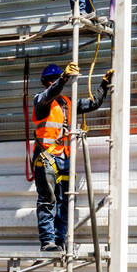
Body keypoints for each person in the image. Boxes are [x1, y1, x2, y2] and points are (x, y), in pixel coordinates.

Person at [31, 61, 113, 252]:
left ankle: (60, 241)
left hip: (65, 159)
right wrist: (64, 78)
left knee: (65, 201)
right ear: (46, 82)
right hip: (46, 158)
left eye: (56, 79)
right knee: (47, 200)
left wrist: (104, 85)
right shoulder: (41, 100)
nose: (53, 83)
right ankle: (47, 242)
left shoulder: (68, 103)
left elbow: (93, 104)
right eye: (51, 80)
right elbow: (49, 94)